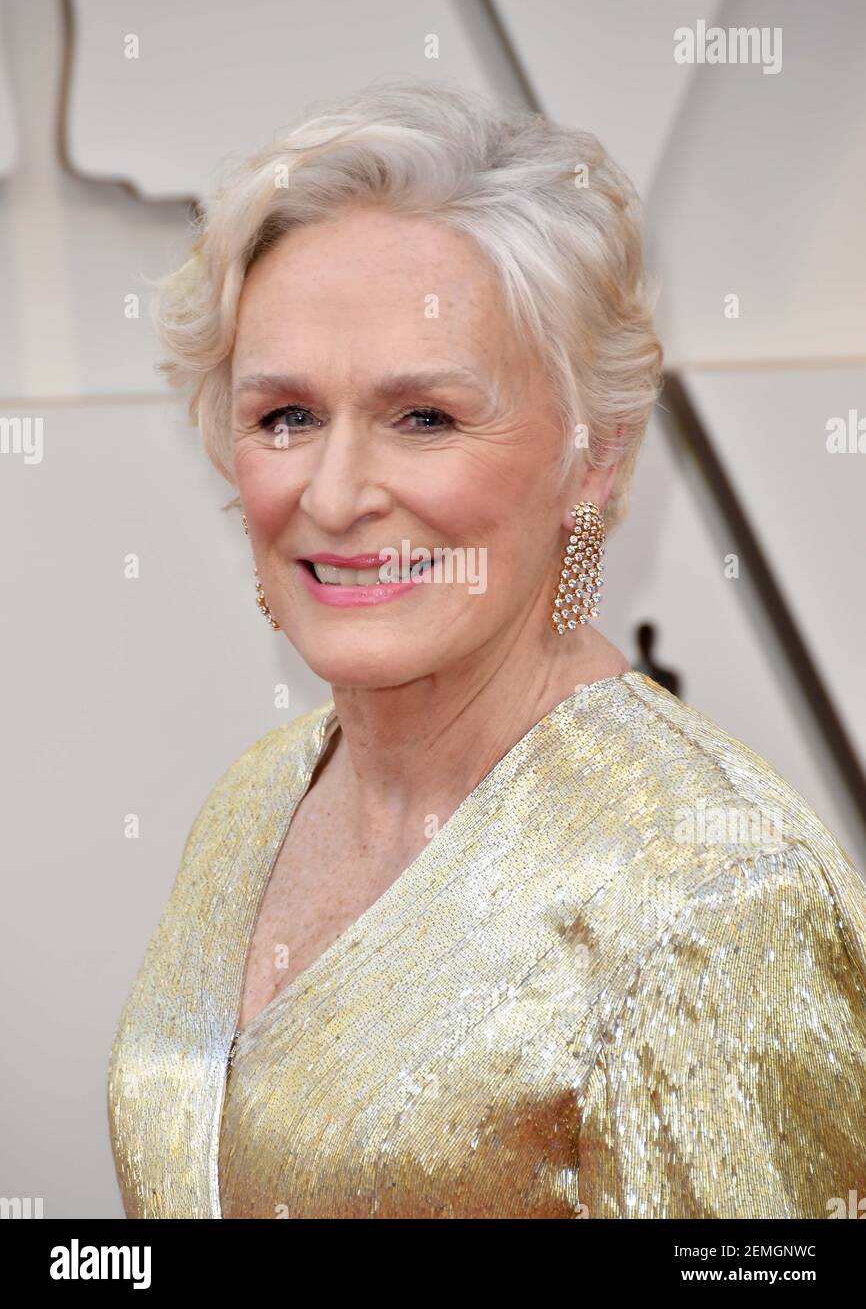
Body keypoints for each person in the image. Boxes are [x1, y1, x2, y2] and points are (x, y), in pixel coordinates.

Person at [107, 77, 866, 1218]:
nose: (335, 491)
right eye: (285, 415)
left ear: (592, 456)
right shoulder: (254, 802)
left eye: (425, 417)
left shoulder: (714, 890)